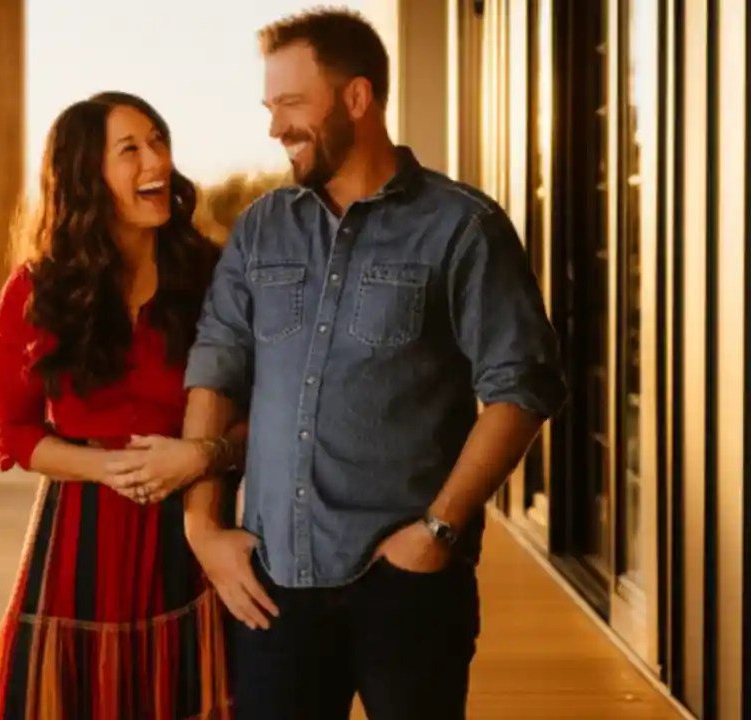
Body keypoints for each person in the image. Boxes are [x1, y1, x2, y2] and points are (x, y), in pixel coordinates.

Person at [180, 9, 567, 720]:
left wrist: (439, 533)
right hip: (272, 583)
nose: (275, 129)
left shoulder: (464, 226)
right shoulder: (263, 227)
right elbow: (217, 365)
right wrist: (204, 529)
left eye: (293, 105)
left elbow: (523, 387)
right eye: (270, 108)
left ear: (357, 98)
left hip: (409, 585)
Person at [0, 91, 243, 720]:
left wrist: (199, 457)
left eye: (158, 141)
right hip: (79, 538)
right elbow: (12, 431)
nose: (156, 160)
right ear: (86, 176)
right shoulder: (35, 291)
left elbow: (254, 403)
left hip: (191, 524)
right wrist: (106, 470)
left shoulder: (211, 275)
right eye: (131, 150)